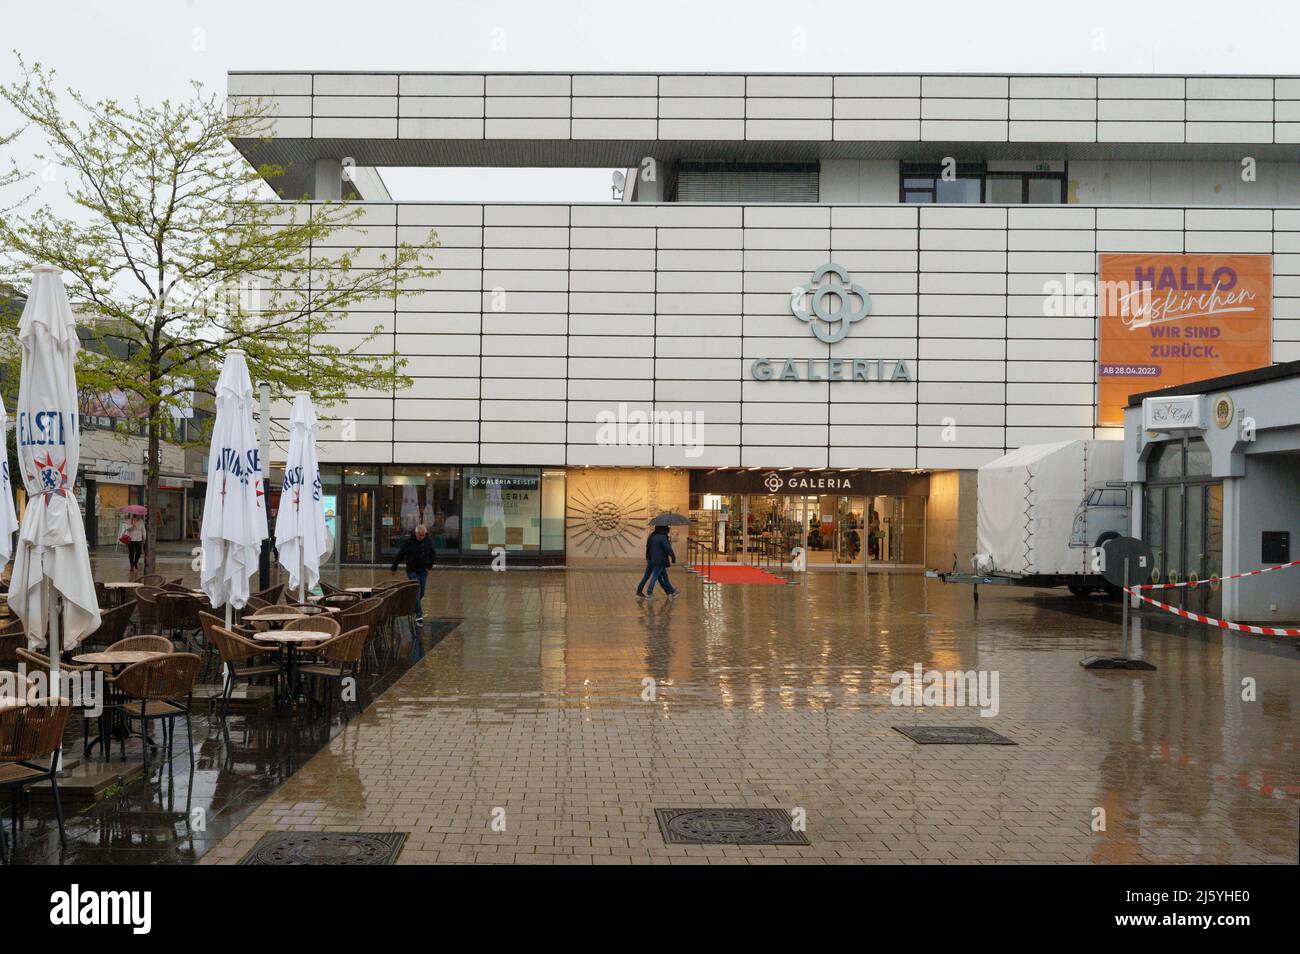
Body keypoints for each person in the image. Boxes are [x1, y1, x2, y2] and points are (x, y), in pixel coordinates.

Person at [390, 523, 435, 622]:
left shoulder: (428, 541)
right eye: (420, 535)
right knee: (417, 590)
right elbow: (400, 554)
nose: (421, 537)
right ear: (416, 533)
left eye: (423, 535)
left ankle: (414, 607)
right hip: (412, 571)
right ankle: (419, 614)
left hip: (423, 570)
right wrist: (394, 567)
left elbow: (432, 554)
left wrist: (429, 566)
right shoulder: (409, 542)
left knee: (422, 592)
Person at [645, 525, 678, 599]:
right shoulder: (663, 537)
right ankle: (649, 592)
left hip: (653, 559)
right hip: (661, 560)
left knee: (665, 577)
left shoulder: (653, 536)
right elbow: (668, 548)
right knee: (655, 577)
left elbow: (649, 547)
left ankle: (672, 591)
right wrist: (673, 557)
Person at [634, 530, 656, 599]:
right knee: (657, 576)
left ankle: (639, 591)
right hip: (656, 559)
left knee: (647, 576)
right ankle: (649, 593)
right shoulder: (659, 537)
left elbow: (648, 548)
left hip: (650, 558)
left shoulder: (651, 536)